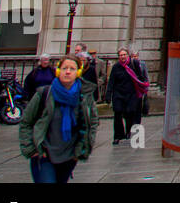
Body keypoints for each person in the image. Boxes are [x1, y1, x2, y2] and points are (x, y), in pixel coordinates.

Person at [19, 54, 98, 184]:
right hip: (44, 155)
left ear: (78, 72)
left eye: (72, 69)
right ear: (58, 71)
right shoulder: (43, 93)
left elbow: (92, 123)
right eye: (64, 68)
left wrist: (81, 149)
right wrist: (31, 149)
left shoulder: (84, 97)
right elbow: (26, 122)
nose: (67, 72)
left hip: (69, 156)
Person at [105, 47, 148, 145]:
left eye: (124, 54)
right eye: (121, 55)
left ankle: (128, 130)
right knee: (117, 113)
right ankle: (117, 136)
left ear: (127, 55)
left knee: (129, 113)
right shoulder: (116, 67)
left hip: (131, 94)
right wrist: (108, 94)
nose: (123, 57)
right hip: (118, 94)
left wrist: (142, 89)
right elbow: (111, 81)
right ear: (118, 57)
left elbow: (140, 77)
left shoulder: (134, 64)